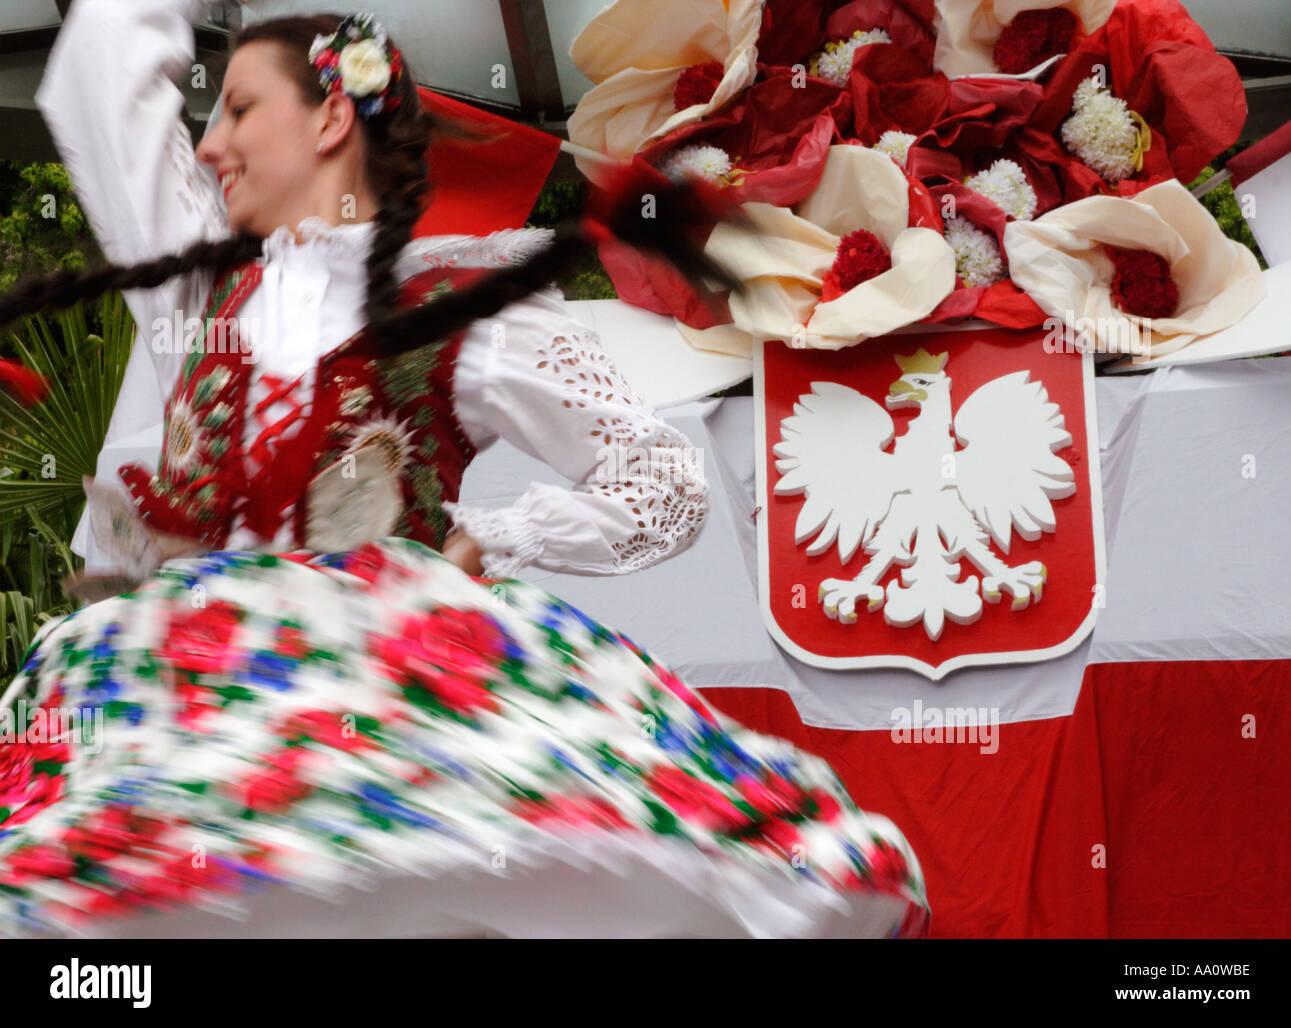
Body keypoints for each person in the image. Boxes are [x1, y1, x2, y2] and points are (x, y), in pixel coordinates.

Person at [0, 1, 927, 938]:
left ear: (329, 118)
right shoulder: (197, 280)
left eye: (238, 110)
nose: (209, 148)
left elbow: (663, 480)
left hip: (370, 725)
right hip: (193, 721)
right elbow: (98, 75)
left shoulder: (456, 304)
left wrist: (503, 533)